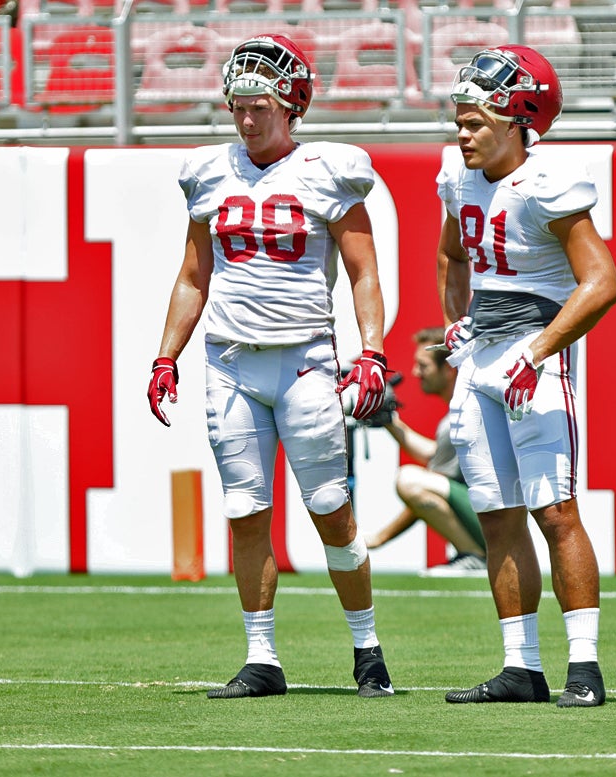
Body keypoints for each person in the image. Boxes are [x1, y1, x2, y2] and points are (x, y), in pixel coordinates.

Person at [147, 34, 395, 700]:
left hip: (307, 360)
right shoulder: (208, 171)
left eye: (259, 106)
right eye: (238, 106)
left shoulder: (327, 168)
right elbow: (193, 274)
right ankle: (262, 656)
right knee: (245, 509)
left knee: (329, 508)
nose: (247, 119)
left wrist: (370, 350)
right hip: (229, 360)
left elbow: (365, 272)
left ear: (291, 105)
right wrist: (165, 353)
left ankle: (367, 648)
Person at [436, 46, 616, 707]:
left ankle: (586, 669)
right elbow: (451, 253)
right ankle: (521, 665)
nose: (461, 132)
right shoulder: (457, 179)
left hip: (530, 363)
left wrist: (538, 351)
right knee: (497, 514)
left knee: (556, 510)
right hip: (482, 359)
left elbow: (602, 282)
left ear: (517, 119)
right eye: (458, 120)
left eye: (475, 120)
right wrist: (455, 320)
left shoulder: (547, 182)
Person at [364, 326, 487, 576]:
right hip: (497, 519)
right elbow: (436, 456)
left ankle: (474, 556)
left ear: (449, 368)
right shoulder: (468, 406)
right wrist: (389, 420)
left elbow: (427, 484)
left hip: (493, 523)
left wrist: (379, 538)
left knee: (409, 479)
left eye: (423, 365)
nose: (415, 372)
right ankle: (475, 554)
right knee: (416, 479)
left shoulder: (462, 416)